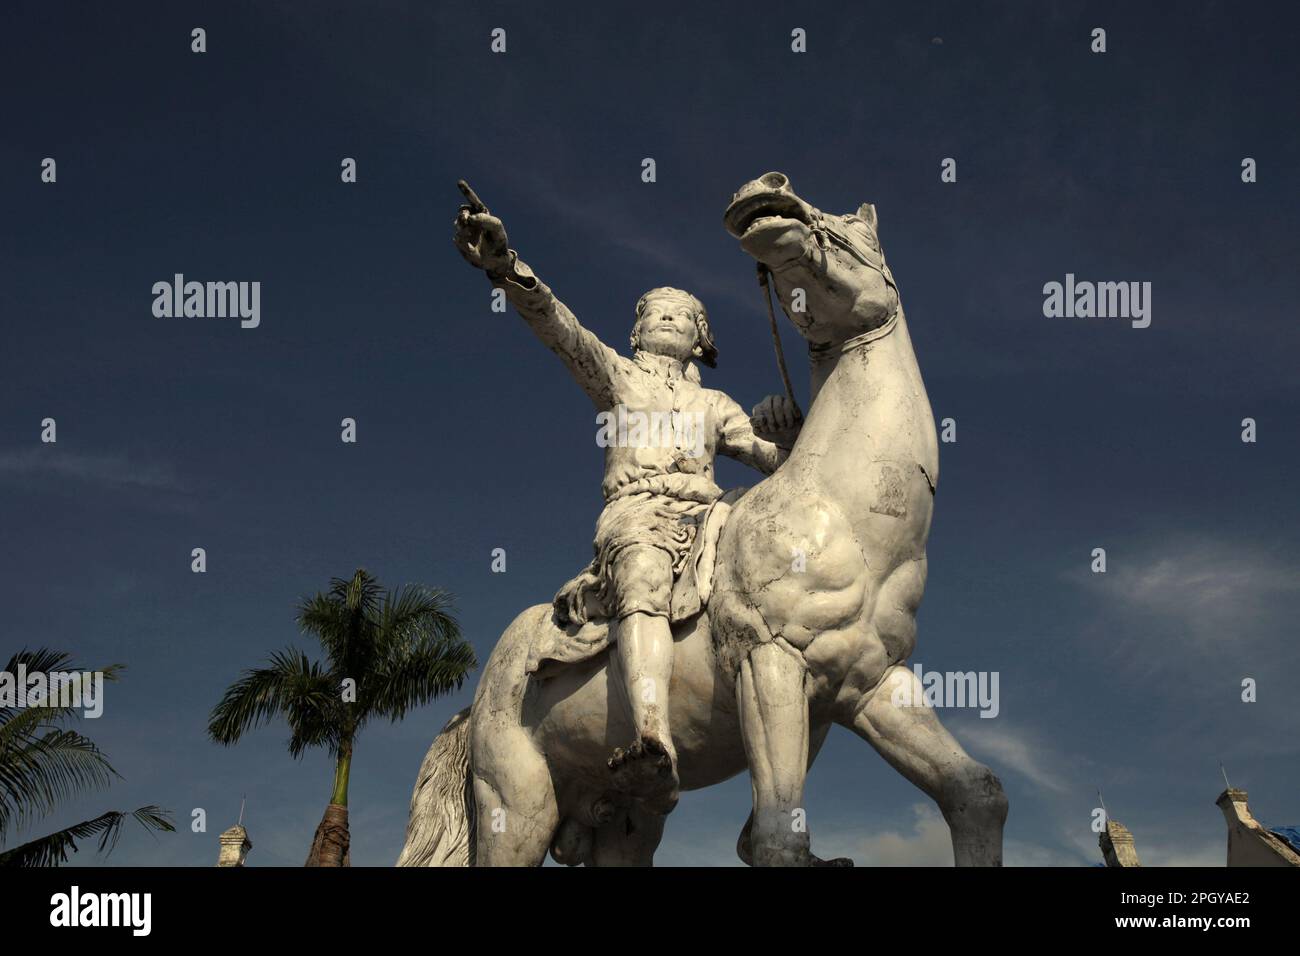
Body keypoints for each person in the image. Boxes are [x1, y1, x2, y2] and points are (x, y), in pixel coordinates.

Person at [454, 202, 801, 814]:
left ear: (702, 337)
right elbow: (560, 330)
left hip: (710, 516)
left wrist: (788, 429)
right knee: (641, 568)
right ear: (636, 331)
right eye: (654, 311)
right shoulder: (618, 377)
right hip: (639, 514)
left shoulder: (716, 404)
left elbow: (774, 463)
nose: (668, 318)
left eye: (685, 314)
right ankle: (650, 732)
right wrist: (507, 266)